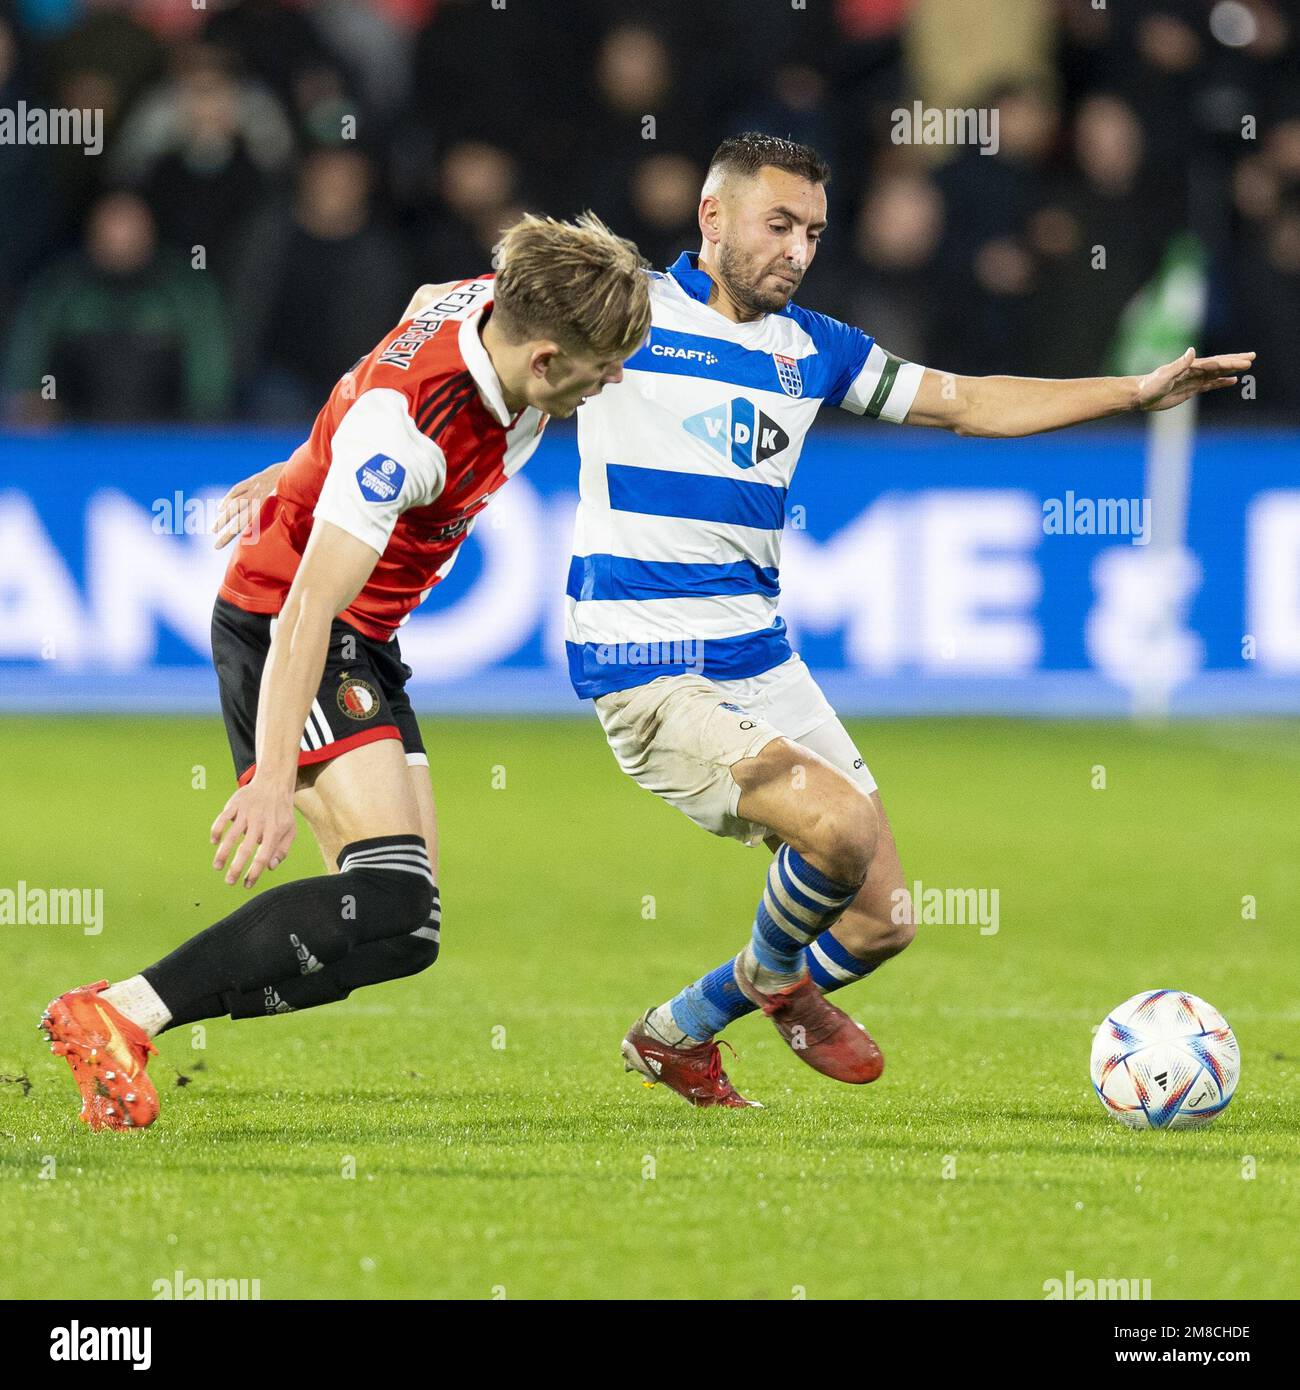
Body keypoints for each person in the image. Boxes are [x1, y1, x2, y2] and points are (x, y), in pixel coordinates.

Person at [40, 211, 651, 1131]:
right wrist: (274, 778)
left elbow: (405, 323)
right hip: (294, 631)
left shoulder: (481, 305)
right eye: (602, 365)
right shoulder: (406, 439)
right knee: (393, 890)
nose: (614, 381)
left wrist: (299, 468)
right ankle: (121, 1013)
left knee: (405, 934)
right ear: (542, 361)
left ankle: (129, 1013)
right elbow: (302, 615)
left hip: (364, 638)